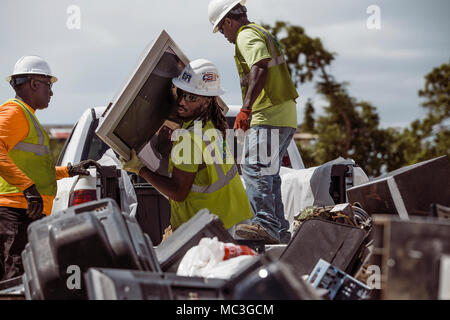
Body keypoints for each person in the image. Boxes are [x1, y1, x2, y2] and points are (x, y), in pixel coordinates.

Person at [121, 59, 252, 232]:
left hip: (211, 229)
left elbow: (178, 192)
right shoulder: (210, 125)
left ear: (206, 101)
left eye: (191, 97)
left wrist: (140, 170)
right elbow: (198, 171)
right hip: (230, 219)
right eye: (181, 93)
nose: (182, 101)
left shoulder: (190, 138)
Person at [0, 55, 100, 280]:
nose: (51, 92)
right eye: (49, 85)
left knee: (23, 279)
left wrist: (68, 171)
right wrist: (27, 188)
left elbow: (33, 170)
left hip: (24, 209)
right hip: (15, 211)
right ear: (34, 83)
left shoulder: (26, 116)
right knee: (14, 279)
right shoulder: (14, 112)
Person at [208, 0, 300, 244]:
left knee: (254, 166)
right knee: (269, 173)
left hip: (268, 113)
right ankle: (279, 230)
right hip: (284, 114)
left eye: (221, 30)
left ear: (228, 21)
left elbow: (260, 66)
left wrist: (246, 109)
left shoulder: (245, 36)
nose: (224, 36)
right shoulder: (260, 31)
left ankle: (265, 224)